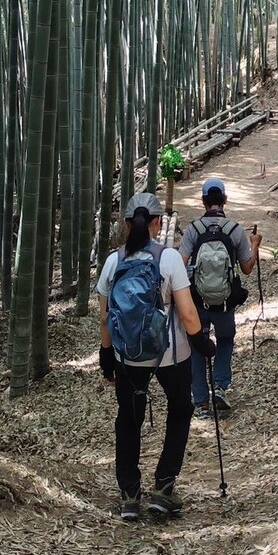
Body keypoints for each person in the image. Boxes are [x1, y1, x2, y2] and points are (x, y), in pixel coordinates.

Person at [97, 191, 217, 522]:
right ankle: (163, 488)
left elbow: (106, 318)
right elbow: (188, 313)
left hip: (127, 358)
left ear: (125, 224)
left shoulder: (113, 261)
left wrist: (106, 358)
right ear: (157, 222)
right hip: (170, 354)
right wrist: (203, 344)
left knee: (128, 419)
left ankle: (130, 495)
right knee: (180, 410)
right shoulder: (169, 259)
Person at [179, 176, 261, 420]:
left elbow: (180, 263)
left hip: (198, 300)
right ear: (224, 200)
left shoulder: (193, 230)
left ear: (204, 201)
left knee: (197, 347)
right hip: (225, 301)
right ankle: (221, 387)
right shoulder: (234, 230)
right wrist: (255, 244)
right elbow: (246, 268)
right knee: (225, 341)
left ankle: (201, 402)